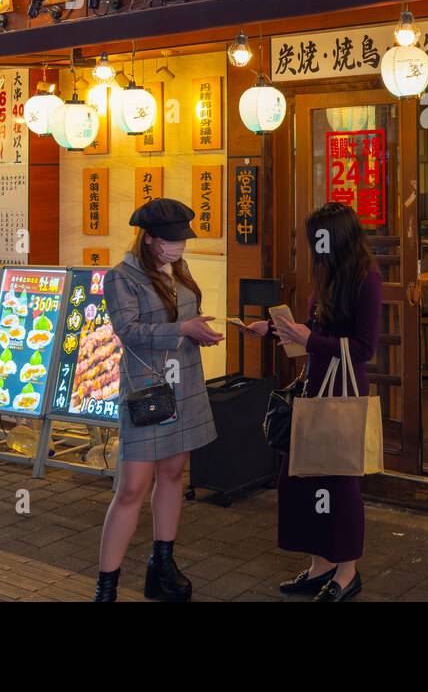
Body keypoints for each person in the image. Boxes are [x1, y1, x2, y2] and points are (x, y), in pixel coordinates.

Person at [246, 201, 380, 602]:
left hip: (343, 392)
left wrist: (311, 341)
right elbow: (313, 330)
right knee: (300, 478)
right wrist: (271, 330)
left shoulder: (366, 279)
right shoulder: (326, 274)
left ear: (337, 237)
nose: (314, 245)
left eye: (319, 238)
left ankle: (347, 572)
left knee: (341, 483)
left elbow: (364, 348)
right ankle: (320, 564)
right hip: (315, 386)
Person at [94, 199, 222, 603]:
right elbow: (128, 330)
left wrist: (204, 328)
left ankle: (161, 564)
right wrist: (182, 328)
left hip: (183, 384)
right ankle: (106, 587)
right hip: (148, 390)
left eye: (182, 238)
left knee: (172, 475)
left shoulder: (176, 269)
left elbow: (184, 316)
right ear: (148, 239)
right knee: (132, 487)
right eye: (171, 240)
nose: (178, 246)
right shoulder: (121, 277)